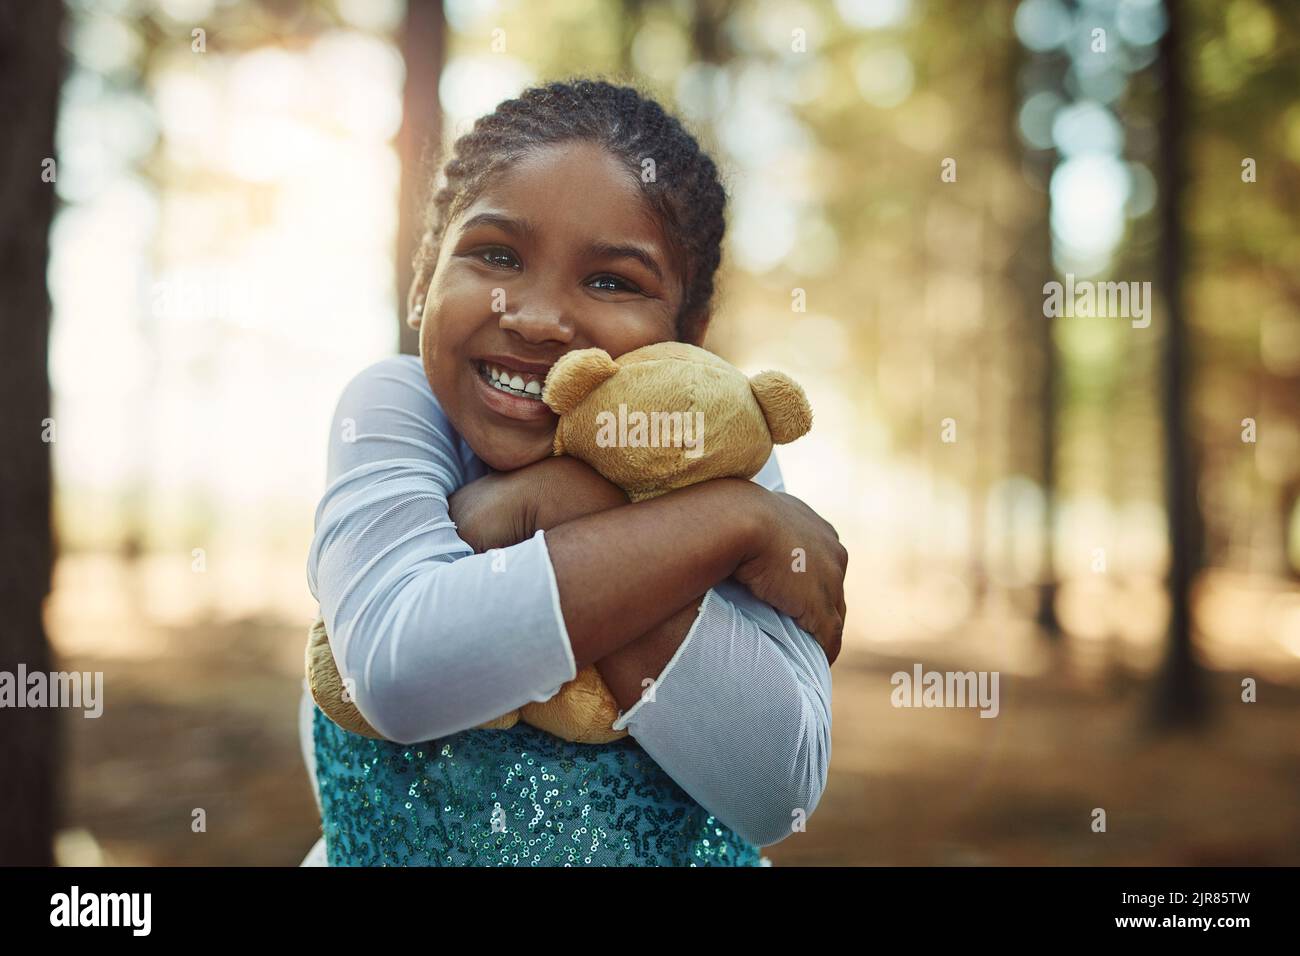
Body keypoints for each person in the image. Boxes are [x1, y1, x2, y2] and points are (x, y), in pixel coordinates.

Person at [300, 79, 847, 866]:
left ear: (688, 330)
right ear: (424, 279)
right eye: (495, 255)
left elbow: (775, 790)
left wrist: (534, 516)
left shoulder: (722, 457)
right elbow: (400, 672)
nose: (537, 318)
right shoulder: (395, 408)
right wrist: (724, 527)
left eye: (611, 281)